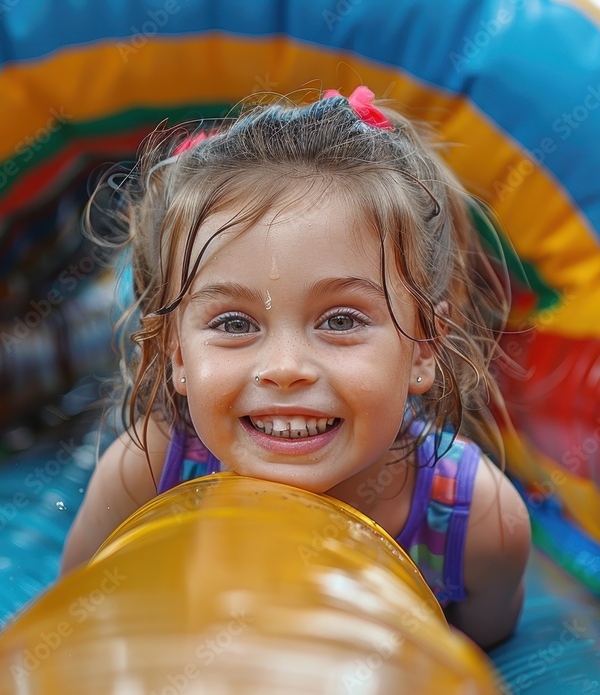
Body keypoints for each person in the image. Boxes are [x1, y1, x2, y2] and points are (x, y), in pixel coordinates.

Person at [61, 86, 531, 649]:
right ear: (177, 355)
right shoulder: (145, 472)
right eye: (234, 324)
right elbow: (71, 628)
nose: (285, 369)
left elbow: (487, 648)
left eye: (340, 320)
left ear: (424, 347)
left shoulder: (475, 521)